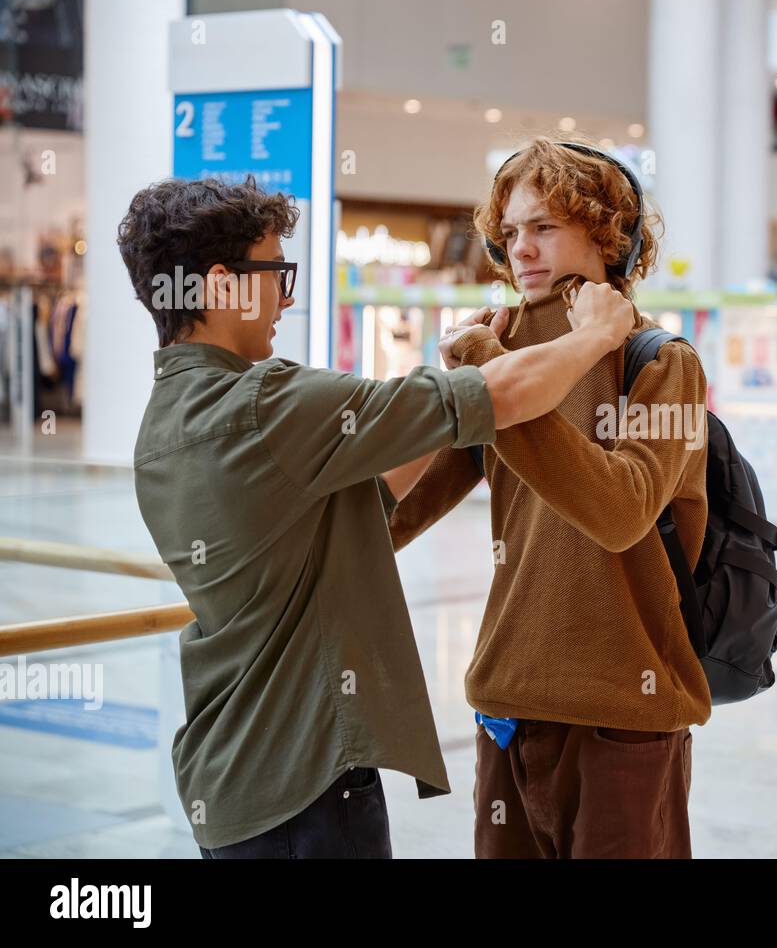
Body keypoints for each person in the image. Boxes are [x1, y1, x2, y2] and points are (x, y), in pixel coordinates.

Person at [119, 176, 634, 858]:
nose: (285, 296)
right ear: (223, 285)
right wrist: (596, 335)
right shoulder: (264, 402)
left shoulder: (164, 424)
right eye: (276, 273)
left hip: (233, 777)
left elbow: (365, 494)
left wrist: (445, 381)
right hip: (307, 786)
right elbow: (502, 395)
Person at [389, 138, 710, 858]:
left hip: (623, 714)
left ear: (607, 233)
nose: (521, 249)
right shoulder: (500, 351)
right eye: (510, 233)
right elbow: (399, 514)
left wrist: (486, 374)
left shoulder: (661, 363)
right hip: (509, 705)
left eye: (544, 227)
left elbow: (621, 512)